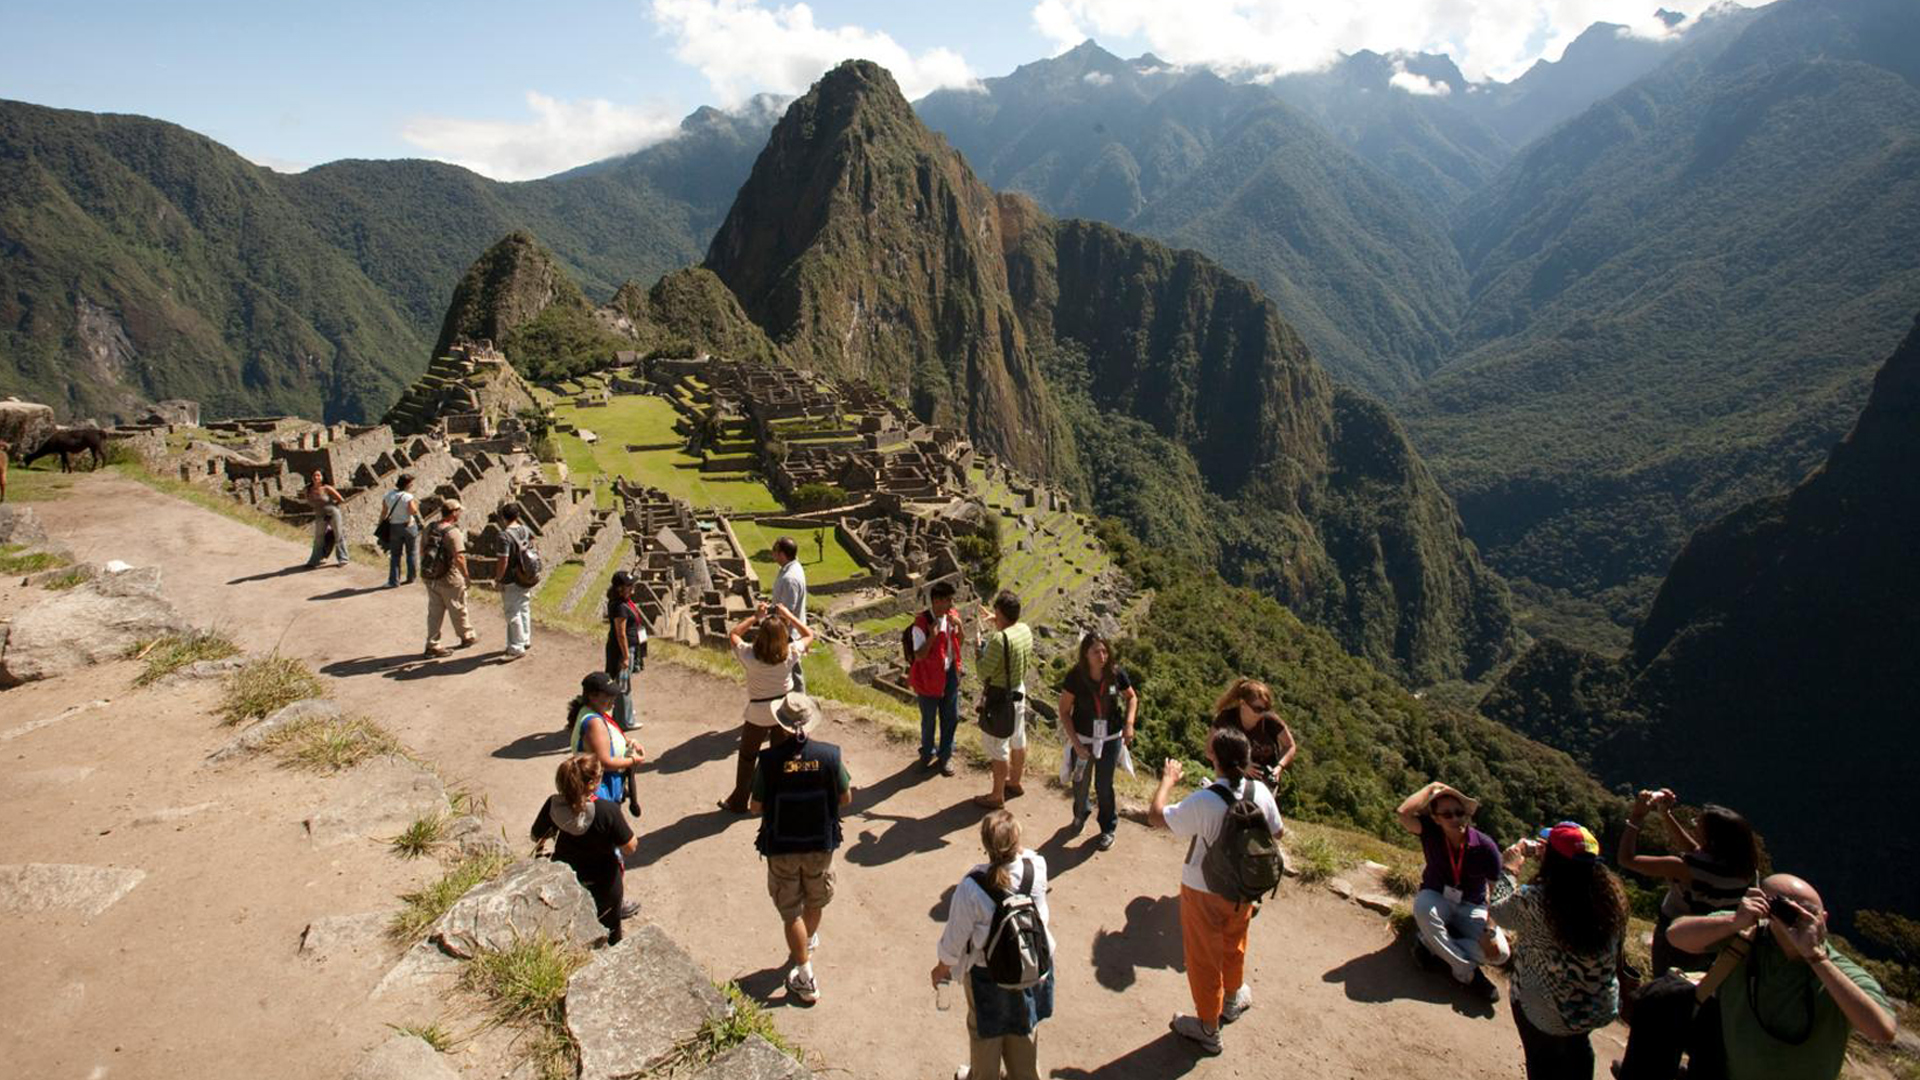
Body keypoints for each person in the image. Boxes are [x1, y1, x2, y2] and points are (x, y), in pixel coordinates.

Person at [1615, 874, 1897, 1080]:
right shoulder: (1747, 936)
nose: (1796, 919)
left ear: (1824, 917)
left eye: (1808, 912)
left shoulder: (1838, 971)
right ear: (1767, 909)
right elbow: (1677, 935)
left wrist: (1816, 957)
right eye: (1785, 909)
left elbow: (1882, 1031)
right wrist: (1735, 921)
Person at [1150, 726, 1284, 1056]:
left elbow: (1156, 817)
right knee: (1234, 942)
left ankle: (1208, 1028)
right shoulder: (1261, 793)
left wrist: (1168, 781)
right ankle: (1235, 996)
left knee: (1203, 959)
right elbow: (1278, 833)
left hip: (1202, 888)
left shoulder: (1205, 800)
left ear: (1216, 759)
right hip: (1245, 887)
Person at [1490, 822, 1627, 1079]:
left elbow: (1498, 911)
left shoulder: (1538, 899)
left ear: (1552, 859)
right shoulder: (1612, 899)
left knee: (1542, 1059)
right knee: (1576, 1044)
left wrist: (1508, 869)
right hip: (1595, 1006)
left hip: (1547, 1009)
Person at [932, 809, 1055, 1080]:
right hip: (1029, 965)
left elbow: (956, 936)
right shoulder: (1037, 868)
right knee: (1024, 1029)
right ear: (1017, 841)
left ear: (985, 846)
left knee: (985, 1033)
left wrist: (942, 967)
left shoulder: (972, 885)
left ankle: (982, 1075)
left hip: (987, 973)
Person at [749, 692, 851, 1005]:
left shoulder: (769, 761)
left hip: (782, 845)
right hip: (820, 843)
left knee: (790, 908)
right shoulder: (830, 756)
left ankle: (804, 972)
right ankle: (805, 945)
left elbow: (756, 806)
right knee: (815, 898)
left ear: (780, 724)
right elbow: (845, 798)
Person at [1617, 789, 1758, 976]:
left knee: (1665, 985)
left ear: (1711, 839)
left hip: (1674, 936)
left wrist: (1636, 816)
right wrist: (1665, 814)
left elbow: (1626, 859)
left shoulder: (1683, 868)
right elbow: (1697, 853)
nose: (1693, 828)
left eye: (1697, 825)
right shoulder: (1746, 872)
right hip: (1714, 940)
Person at [1397, 780, 1509, 1001]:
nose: (1455, 818)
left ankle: (1430, 943)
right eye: (1447, 815)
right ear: (1435, 818)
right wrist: (1430, 788)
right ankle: (1467, 973)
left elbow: (1497, 892)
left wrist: (1489, 930)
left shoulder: (1486, 847)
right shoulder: (1429, 831)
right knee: (1422, 908)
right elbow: (1403, 813)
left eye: (1459, 813)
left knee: (1500, 954)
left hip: (1471, 905)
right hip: (1436, 896)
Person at [531, 754, 638, 944]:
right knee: (609, 925)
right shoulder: (607, 810)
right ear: (593, 784)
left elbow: (536, 835)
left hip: (567, 874)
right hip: (604, 880)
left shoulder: (553, 804)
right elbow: (630, 847)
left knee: (572, 921)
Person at [720, 602, 815, 814]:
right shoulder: (789, 654)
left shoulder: (749, 655)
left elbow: (734, 633)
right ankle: (771, 799)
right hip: (782, 713)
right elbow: (809, 634)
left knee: (747, 758)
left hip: (757, 714)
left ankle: (739, 801)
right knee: (778, 758)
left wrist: (756, 617)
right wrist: (789, 616)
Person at [1057, 632, 1137, 851]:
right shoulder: (1075, 677)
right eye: (1096, 651)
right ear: (1086, 654)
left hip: (1110, 739)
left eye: (1104, 650)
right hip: (1083, 738)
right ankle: (1080, 815)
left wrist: (1129, 723)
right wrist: (1076, 743)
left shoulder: (1115, 674)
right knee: (1080, 782)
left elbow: (1131, 697)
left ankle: (1108, 828)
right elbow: (1064, 711)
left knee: (1104, 785)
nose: (1102, 655)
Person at [972, 590, 1032, 810]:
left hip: (1000, 697)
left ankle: (997, 795)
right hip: (1018, 690)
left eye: (996, 612)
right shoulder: (1024, 630)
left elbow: (983, 672)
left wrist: (978, 649)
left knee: (998, 746)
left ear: (1000, 612)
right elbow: (1010, 631)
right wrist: (996, 619)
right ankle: (1014, 782)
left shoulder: (999, 639)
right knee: (1018, 738)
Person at [567, 671, 645, 820]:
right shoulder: (594, 723)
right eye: (608, 695)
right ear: (592, 696)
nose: (613, 699)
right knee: (609, 834)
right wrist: (634, 760)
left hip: (601, 785)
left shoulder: (594, 711)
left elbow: (609, 735)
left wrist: (629, 742)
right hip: (601, 789)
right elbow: (604, 763)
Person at [910, 580, 965, 777]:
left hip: (949, 673)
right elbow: (919, 655)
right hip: (928, 678)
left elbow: (960, 641)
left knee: (951, 716)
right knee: (929, 719)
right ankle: (927, 753)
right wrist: (932, 636)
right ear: (937, 601)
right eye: (949, 600)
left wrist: (960, 627)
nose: (952, 605)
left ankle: (946, 755)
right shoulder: (921, 623)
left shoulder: (952, 616)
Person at [1210, 678, 1296, 787]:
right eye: (1257, 709)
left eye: (1266, 708)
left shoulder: (1270, 720)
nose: (1262, 713)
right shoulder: (1226, 719)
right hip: (1233, 781)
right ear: (1243, 703)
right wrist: (1241, 766)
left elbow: (1290, 745)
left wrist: (1279, 767)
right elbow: (1209, 750)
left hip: (1265, 782)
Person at [422, 499, 476, 657]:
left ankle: (432, 644)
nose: (460, 513)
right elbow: (459, 558)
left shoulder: (429, 528)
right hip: (449, 578)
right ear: (453, 513)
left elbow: (422, 551)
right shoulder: (453, 532)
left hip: (431, 576)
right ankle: (466, 636)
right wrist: (466, 576)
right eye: (459, 511)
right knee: (458, 608)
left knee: (434, 613)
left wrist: (429, 570)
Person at [604, 571, 648, 732]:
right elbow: (620, 633)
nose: (633, 588)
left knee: (622, 684)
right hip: (622, 650)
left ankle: (621, 715)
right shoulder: (620, 607)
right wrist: (626, 656)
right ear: (620, 589)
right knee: (623, 686)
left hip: (627, 648)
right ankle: (626, 721)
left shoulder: (623, 603)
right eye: (630, 585)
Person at [493, 502, 535, 661]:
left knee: (512, 612)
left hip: (511, 578)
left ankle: (516, 647)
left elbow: (503, 560)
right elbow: (533, 541)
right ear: (518, 515)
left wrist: (498, 578)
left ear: (503, 517)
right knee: (524, 606)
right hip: (526, 575)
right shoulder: (525, 529)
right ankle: (525, 639)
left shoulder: (504, 536)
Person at [770, 535, 809, 692]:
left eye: (775, 552)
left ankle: (799, 704)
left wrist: (778, 636)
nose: (773, 555)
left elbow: (787, 613)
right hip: (788, 631)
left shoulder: (790, 579)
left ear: (782, 554)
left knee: (793, 672)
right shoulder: (792, 567)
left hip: (788, 634)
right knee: (789, 671)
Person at [381, 473, 423, 587]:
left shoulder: (388, 495)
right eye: (411, 483)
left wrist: (381, 524)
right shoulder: (408, 497)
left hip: (394, 527)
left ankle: (394, 581)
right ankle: (411, 578)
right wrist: (416, 504)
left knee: (395, 555)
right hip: (409, 526)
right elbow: (413, 511)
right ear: (407, 484)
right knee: (411, 553)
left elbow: (384, 512)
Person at [304, 469, 349, 568]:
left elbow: (341, 499)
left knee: (338, 535)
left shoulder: (327, 488)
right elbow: (309, 501)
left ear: (322, 477)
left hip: (332, 514)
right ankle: (314, 560)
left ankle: (343, 559)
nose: (316, 477)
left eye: (318, 475)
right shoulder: (307, 489)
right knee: (318, 538)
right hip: (320, 515)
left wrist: (332, 509)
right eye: (314, 475)